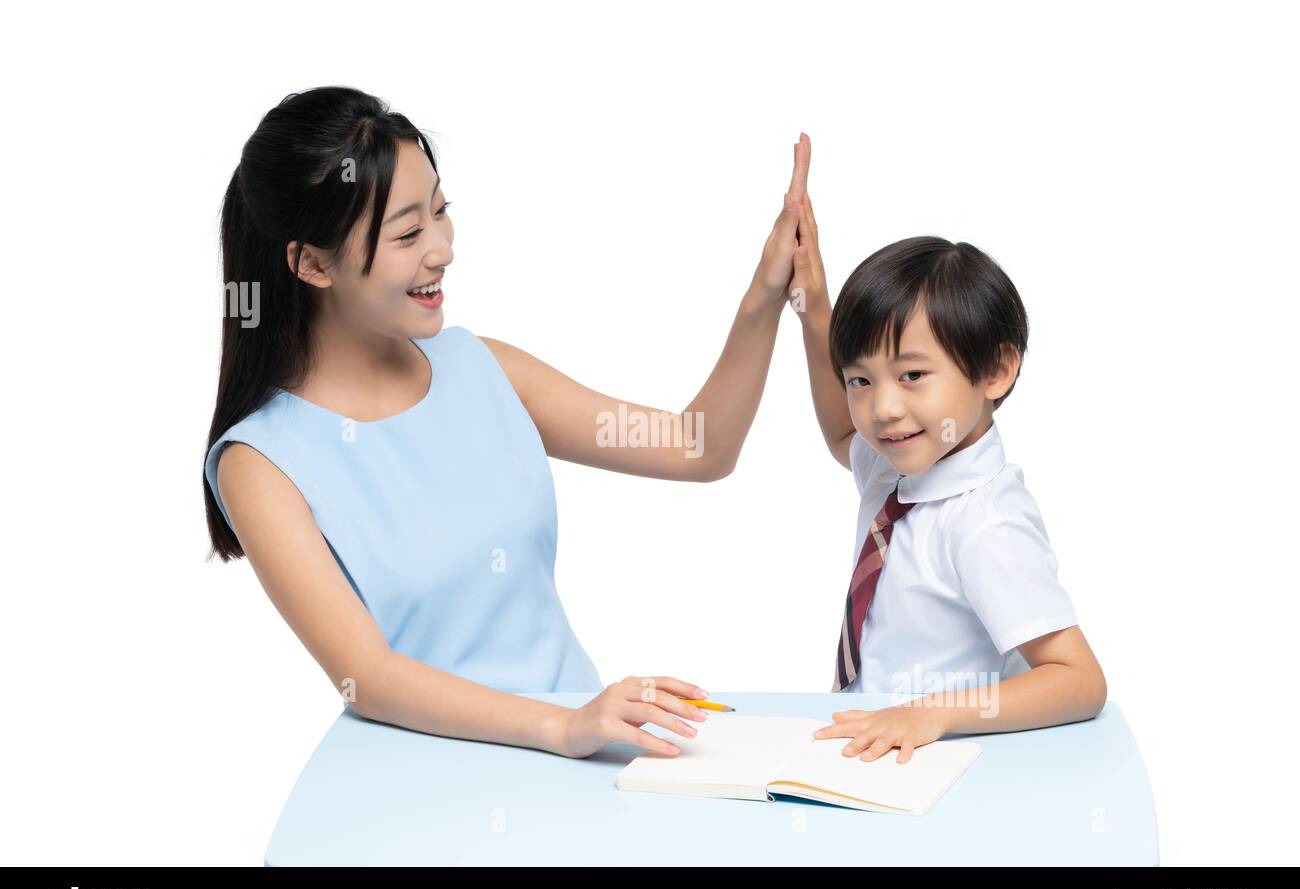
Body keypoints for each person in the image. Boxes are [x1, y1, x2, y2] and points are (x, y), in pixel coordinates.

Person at [203, 86, 814, 760]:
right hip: (434, 780)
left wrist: (765, 291)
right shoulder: (260, 461)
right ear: (311, 263)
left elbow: (698, 447)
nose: (442, 249)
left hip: (586, 760)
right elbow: (368, 677)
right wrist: (560, 726)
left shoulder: (480, 367)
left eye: (441, 212)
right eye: (407, 233)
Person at [788, 211, 1107, 764]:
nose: (883, 409)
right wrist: (813, 302)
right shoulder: (900, 469)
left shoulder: (985, 521)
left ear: (996, 371)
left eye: (912, 375)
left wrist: (933, 712)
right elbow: (844, 430)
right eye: (860, 380)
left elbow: (1078, 681)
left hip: (940, 763)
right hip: (873, 746)